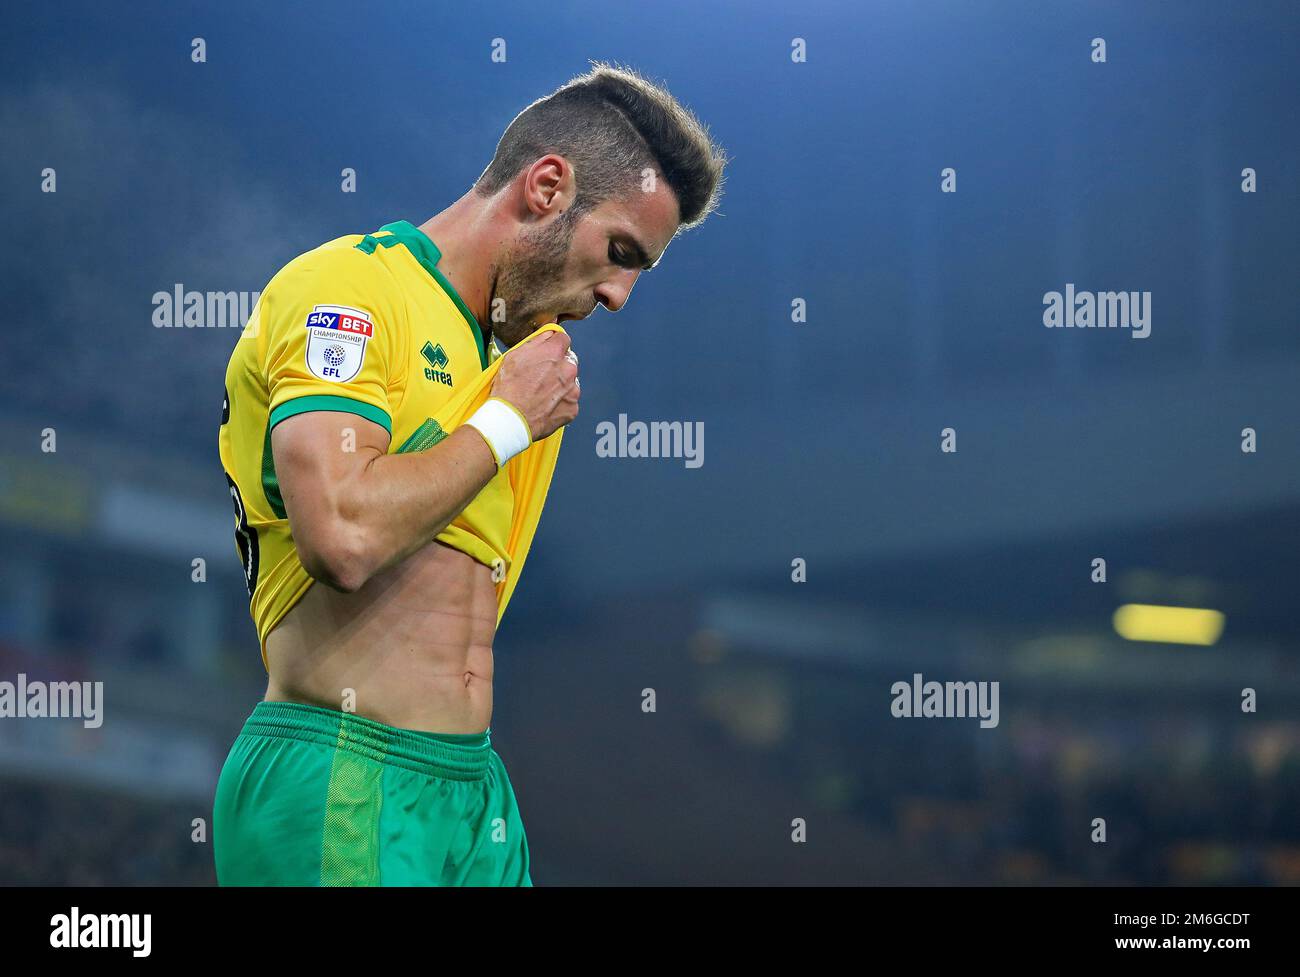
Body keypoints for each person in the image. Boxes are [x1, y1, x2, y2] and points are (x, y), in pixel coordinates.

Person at [212, 62, 726, 885]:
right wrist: (505, 421)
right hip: (342, 770)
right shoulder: (346, 289)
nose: (622, 295)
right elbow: (341, 537)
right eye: (620, 252)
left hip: (472, 790)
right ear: (548, 186)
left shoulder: (522, 362)